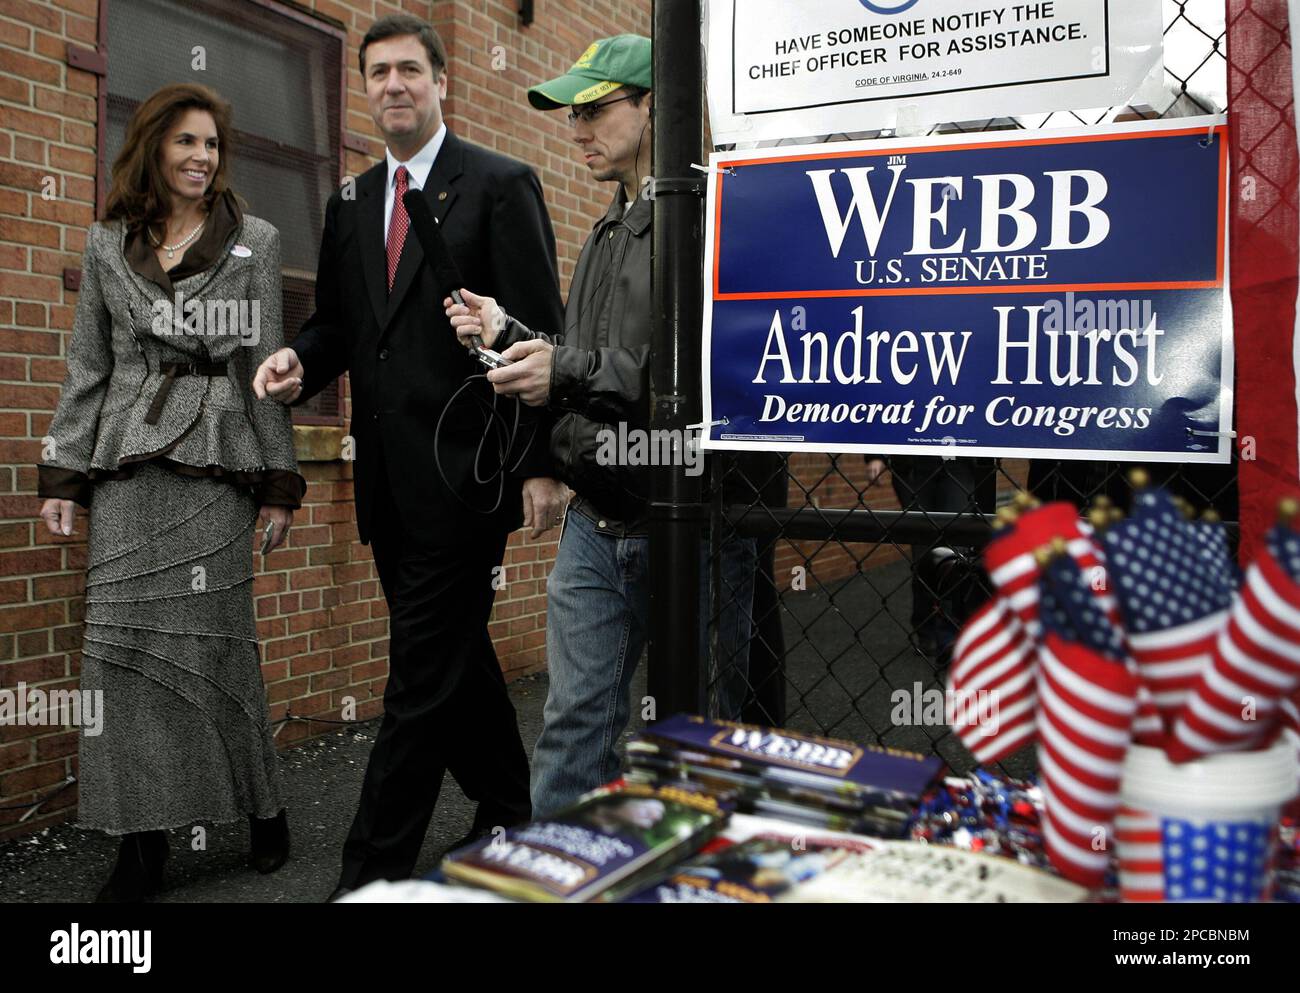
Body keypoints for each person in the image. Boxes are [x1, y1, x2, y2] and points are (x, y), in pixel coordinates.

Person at [252, 15, 565, 898]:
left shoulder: (501, 185)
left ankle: (369, 872)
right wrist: (299, 359)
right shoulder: (350, 202)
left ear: (439, 84)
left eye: (409, 71)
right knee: (454, 658)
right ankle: (509, 804)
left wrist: (541, 462)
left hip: (467, 475)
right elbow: (342, 327)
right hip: (387, 483)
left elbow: (543, 329)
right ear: (366, 87)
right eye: (378, 72)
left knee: (416, 683)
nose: (393, 85)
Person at [444, 34, 756, 819]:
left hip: (690, 520)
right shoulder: (608, 227)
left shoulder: (711, 214)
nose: (576, 129)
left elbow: (713, 374)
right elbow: (594, 361)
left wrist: (567, 370)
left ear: (654, 104)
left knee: (702, 741)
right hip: (597, 515)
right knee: (573, 723)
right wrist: (510, 330)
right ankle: (565, 870)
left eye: (594, 109)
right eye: (571, 113)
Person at [36, 82, 304, 902]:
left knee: (220, 653)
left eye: (213, 145)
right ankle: (139, 843)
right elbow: (90, 367)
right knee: (119, 662)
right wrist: (65, 475)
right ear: (153, 147)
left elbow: (265, 368)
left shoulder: (254, 242)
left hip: (216, 468)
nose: (202, 157)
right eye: (186, 142)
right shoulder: (106, 243)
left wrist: (279, 487)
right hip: (127, 470)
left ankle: (262, 808)